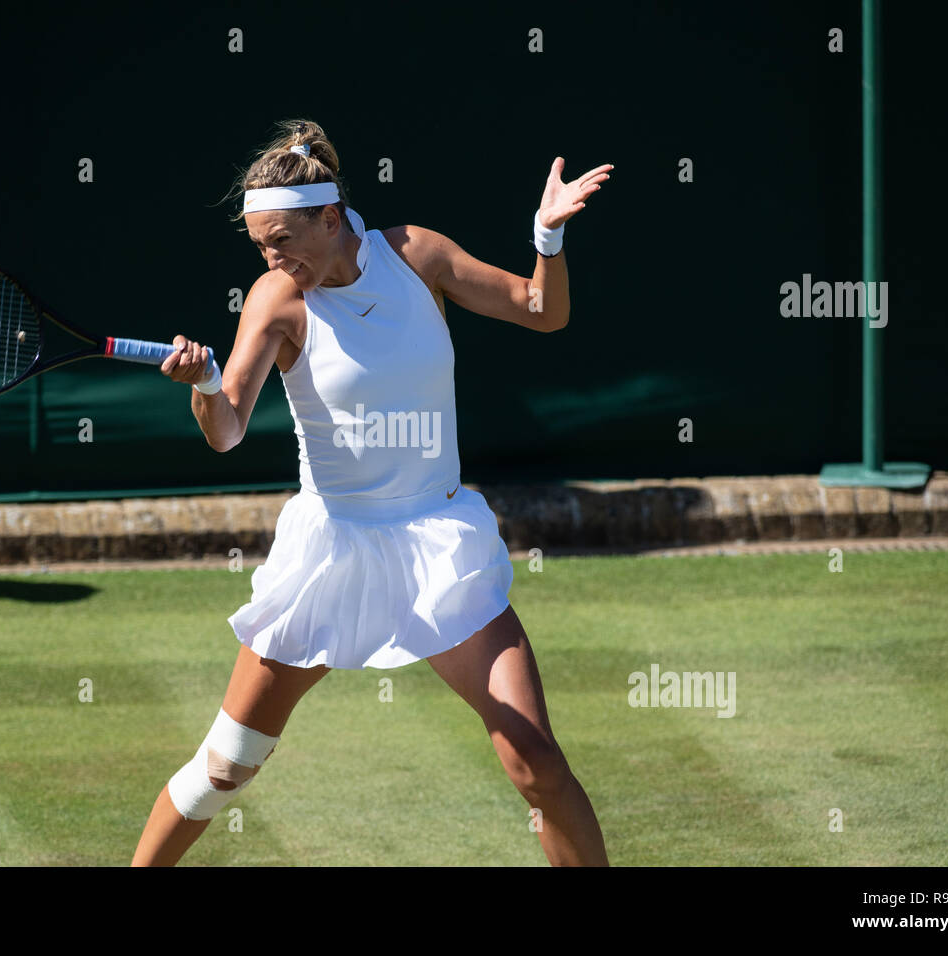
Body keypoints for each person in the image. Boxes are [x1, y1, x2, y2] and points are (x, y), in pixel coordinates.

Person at [132, 119, 613, 866]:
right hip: (330, 556)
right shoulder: (274, 300)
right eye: (260, 244)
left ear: (332, 217)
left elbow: (542, 311)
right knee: (222, 772)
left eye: (283, 238)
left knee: (538, 766)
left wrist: (546, 238)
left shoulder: (417, 255)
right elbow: (225, 429)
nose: (272, 257)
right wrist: (201, 384)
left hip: (439, 544)